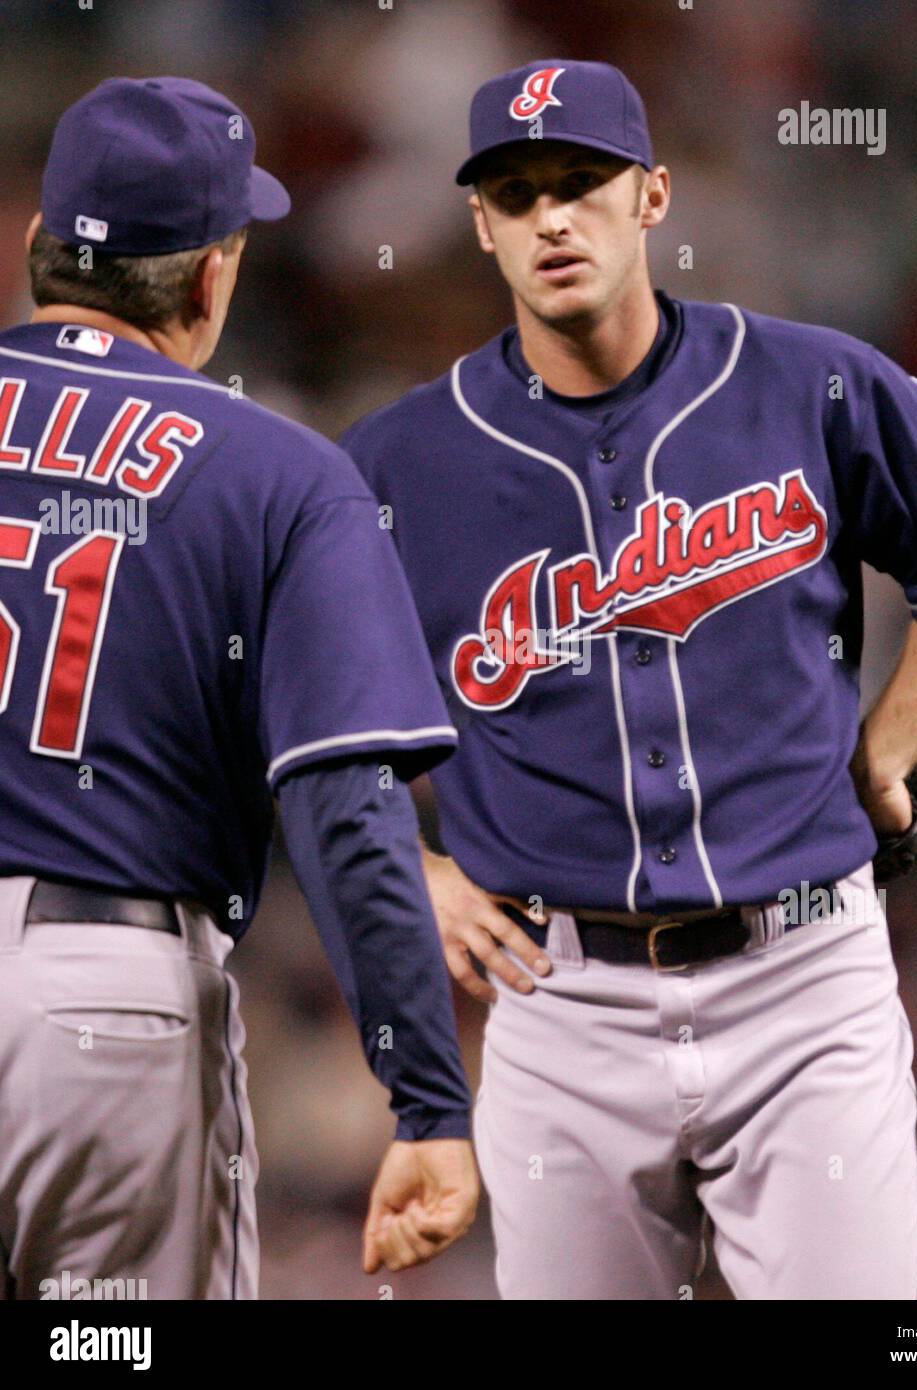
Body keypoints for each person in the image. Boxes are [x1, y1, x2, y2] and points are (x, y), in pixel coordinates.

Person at [340, 59, 917, 1299]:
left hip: (805, 980)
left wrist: (885, 748)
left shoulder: (809, 380)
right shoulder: (397, 463)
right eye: (516, 193)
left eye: (581, 182)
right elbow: (283, 708)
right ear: (480, 225)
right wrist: (411, 865)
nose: (552, 218)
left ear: (653, 195)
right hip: (563, 1007)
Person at [0, 76, 478, 1301]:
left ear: (39, 245)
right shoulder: (278, 474)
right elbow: (344, 808)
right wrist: (424, 1094)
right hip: (95, 1010)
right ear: (213, 278)